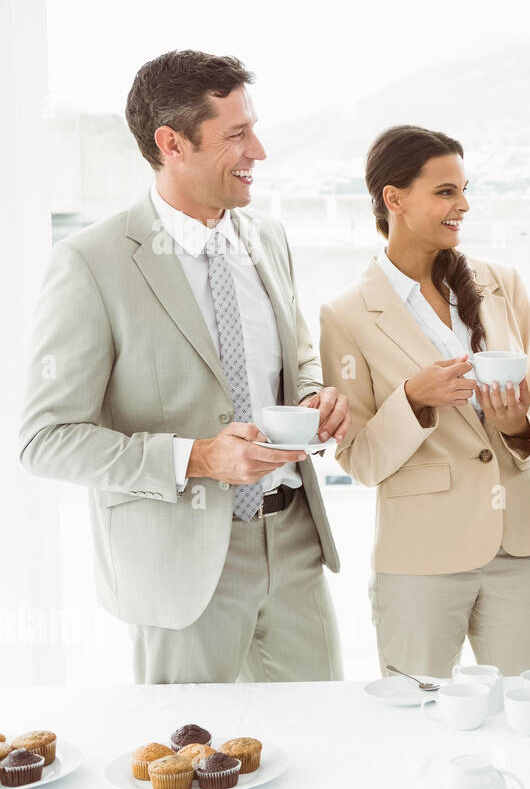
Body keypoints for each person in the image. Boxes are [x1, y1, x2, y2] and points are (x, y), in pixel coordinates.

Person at [18, 50, 349, 684]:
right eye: (236, 135)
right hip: (182, 568)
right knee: (192, 762)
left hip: (296, 542)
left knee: (321, 749)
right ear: (171, 142)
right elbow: (45, 441)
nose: (260, 150)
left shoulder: (268, 238)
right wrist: (196, 458)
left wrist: (316, 398)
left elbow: (298, 359)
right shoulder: (91, 262)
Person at [319, 125, 530, 678]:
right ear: (394, 199)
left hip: (518, 546)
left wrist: (520, 425)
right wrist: (413, 399)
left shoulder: (502, 285)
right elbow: (358, 460)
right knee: (414, 723)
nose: (464, 205)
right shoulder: (347, 314)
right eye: (446, 192)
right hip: (420, 559)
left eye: (464, 189)